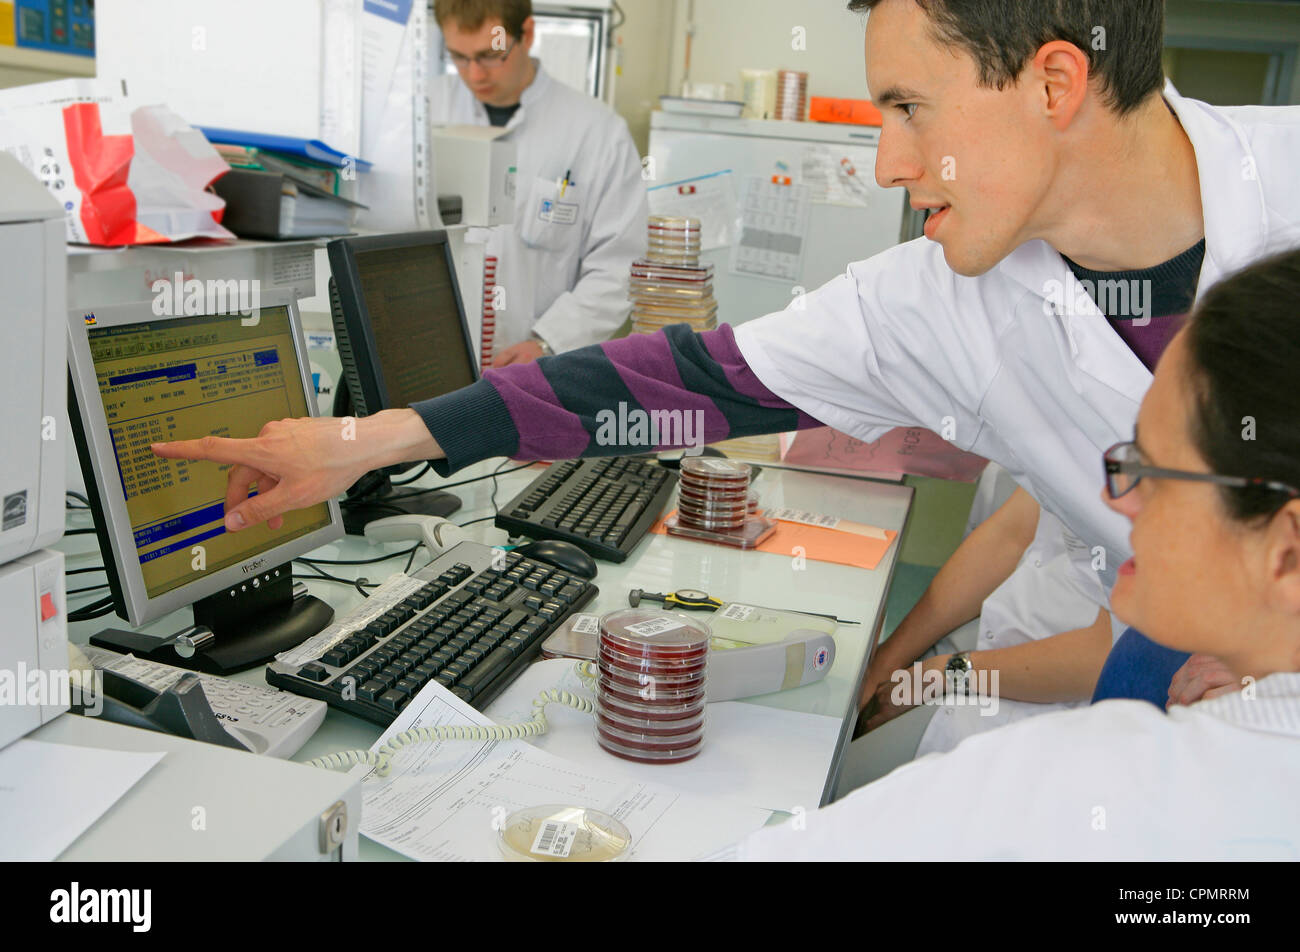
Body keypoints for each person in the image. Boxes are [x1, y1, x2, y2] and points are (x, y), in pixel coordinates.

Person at [153, 0, 1300, 721]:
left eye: (907, 107)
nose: (888, 161)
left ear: (1053, 83)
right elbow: (680, 379)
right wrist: (369, 440)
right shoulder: (935, 295)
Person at [731, 248, 1300, 860]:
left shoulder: (1110, 789)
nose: (1116, 503)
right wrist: (896, 663)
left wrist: (940, 675)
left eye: (1158, 476)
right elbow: (1009, 533)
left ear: (1286, 553)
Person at [432, 0, 648, 365]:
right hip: (434, 360)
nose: (474, 74)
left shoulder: (596, 131)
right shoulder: (421, 109)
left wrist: (550, 342)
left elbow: (621, 262)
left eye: (489, 55)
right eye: (458, 57)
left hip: (542, 370)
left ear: (527, 34)